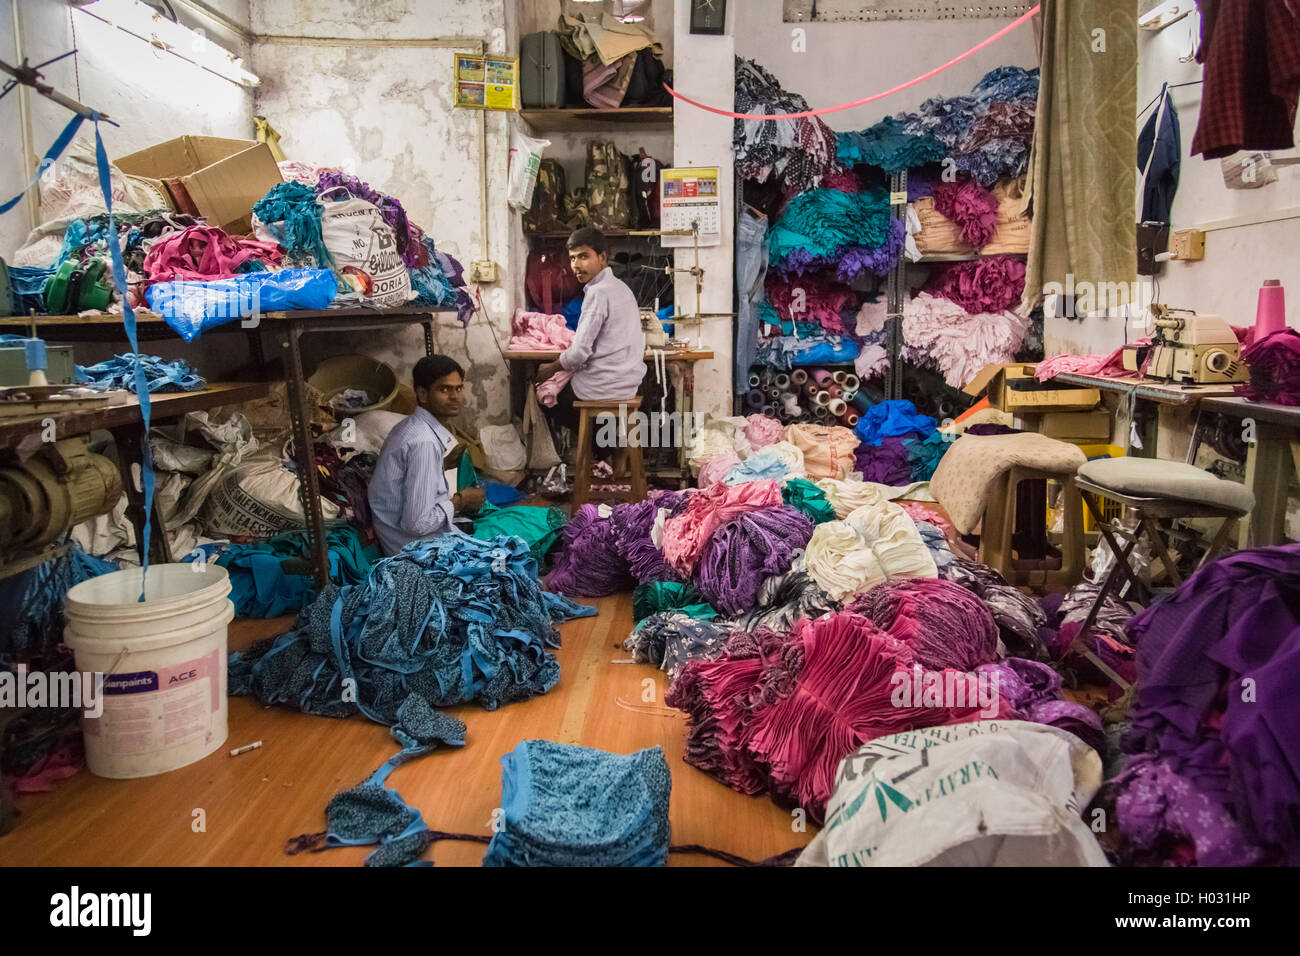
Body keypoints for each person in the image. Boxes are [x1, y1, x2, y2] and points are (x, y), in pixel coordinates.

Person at [537, 226, 646, 477]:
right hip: (628, 382)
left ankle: (607, 450)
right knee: (571, 390)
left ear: (603, 258)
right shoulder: (621, 288)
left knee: (547, 397)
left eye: (584, 256)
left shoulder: (598, 293)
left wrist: (549, 369)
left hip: (604, 386)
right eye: (573, 258)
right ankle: (610, 448)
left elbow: (578, 355)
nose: (576, 265)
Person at [368, 354, 485, 556]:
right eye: (444, 389)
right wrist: (461, 501)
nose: (456, 396)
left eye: (458, 388)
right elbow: (417, 523)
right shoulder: (424, 442)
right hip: (420, 553)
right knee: (513, 552)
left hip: (419, 543)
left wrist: (441, 466)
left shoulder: (410, 427)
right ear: (422, 394)